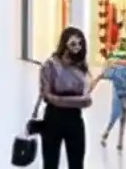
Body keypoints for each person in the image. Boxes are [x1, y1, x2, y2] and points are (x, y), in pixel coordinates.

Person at [33, 27, 91, 169]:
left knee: (76, 164)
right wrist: (74, 101)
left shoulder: (81, 66)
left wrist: (58, 100)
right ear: (64, 43)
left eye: (80, 44)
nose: (77, 47)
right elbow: (46, 95)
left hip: (74, 119)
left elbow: (87, 99)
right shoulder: (50, 65)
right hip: (53, 119)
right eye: (73, 43)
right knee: (50, 163)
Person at [88, 51, 126, 151]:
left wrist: (91, 88)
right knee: (120, 117)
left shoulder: (115, 70)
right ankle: (114, 138)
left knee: (118, 117)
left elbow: (100, 77)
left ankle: (113, 137)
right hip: (122, 95)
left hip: (122, 95)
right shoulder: (120, 70)